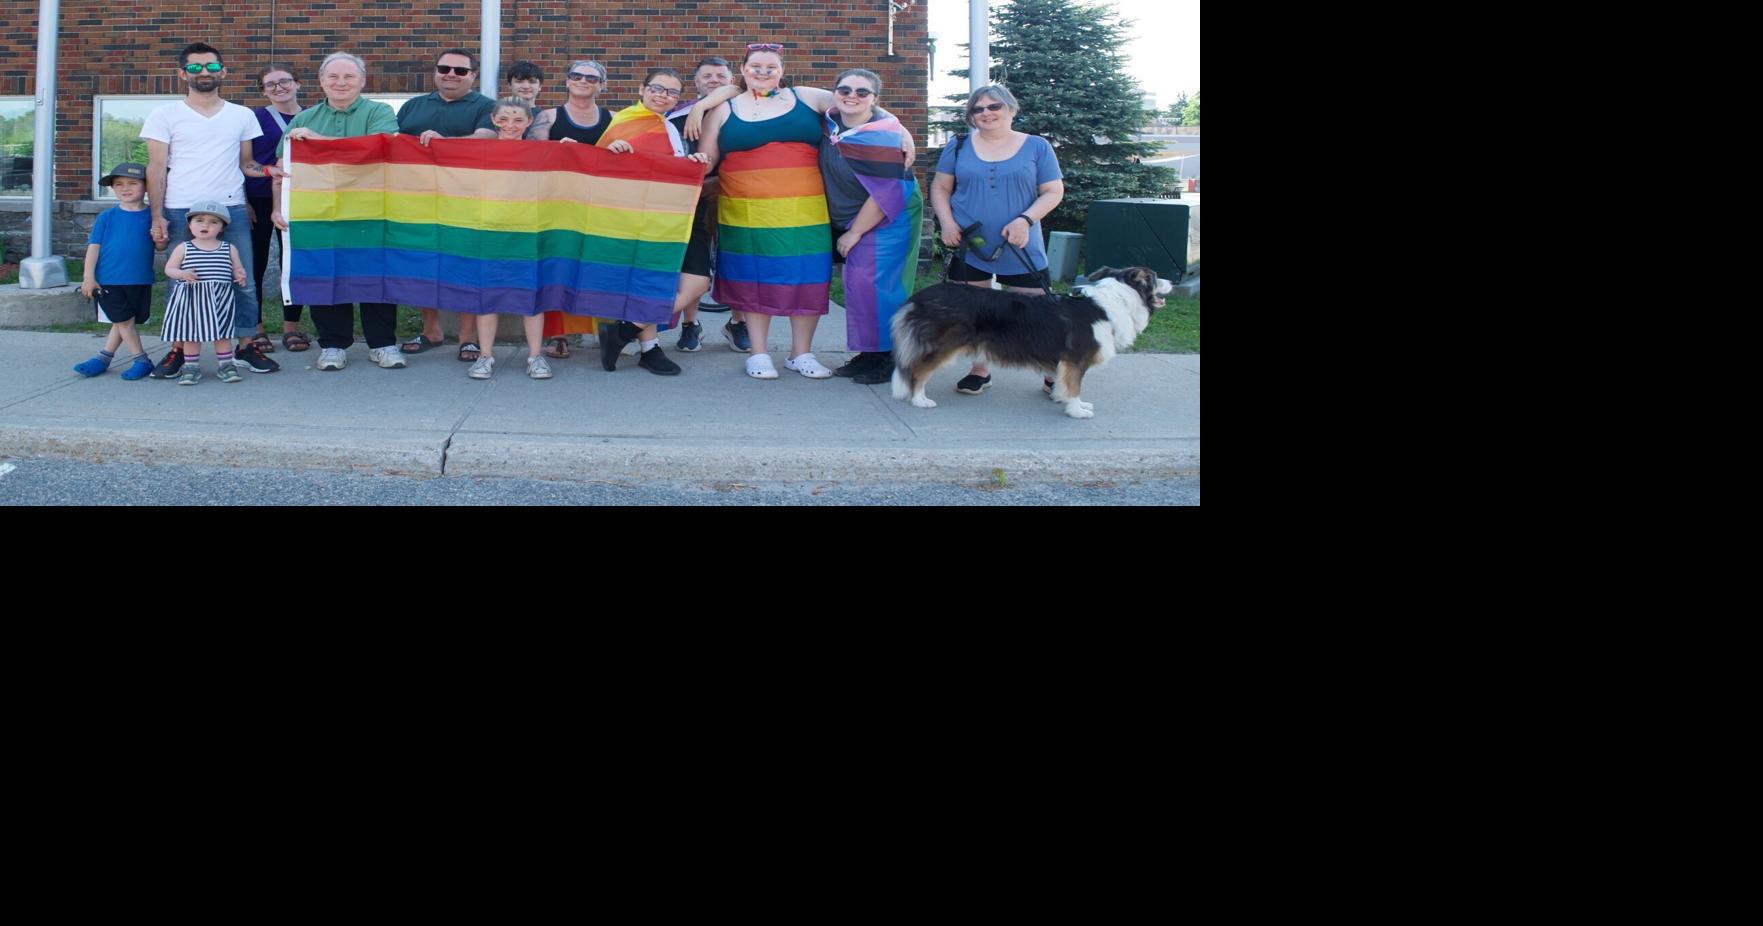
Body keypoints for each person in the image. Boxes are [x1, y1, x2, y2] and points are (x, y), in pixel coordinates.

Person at [690, 43, 912, 379]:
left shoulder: (805, 96)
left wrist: (901, 131)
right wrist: (696, 143)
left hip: (806, 209)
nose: (763, 72)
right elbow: (707, 160)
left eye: (771, 67)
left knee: (808, 276)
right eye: (755, 66)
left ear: (782, 70)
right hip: (745, 211)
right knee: (753, 277)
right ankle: (758, 353)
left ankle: (801, 353)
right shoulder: (723, 109)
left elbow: (857, 104)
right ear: (743, 69)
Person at [141, 41, 281, 379]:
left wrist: (269, 171)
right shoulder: (164, 115)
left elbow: (246, 163)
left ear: (223, 71)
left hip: (230, 210)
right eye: (195, 67)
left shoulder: (242, 115)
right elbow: (156, 169)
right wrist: (156, 215)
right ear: (182, 74)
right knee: (182, 282)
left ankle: (245, 345)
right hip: (181, 209)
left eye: (212, 66)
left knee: (243, 280)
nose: (204, 72)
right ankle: (178, 351)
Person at [269, 52, 404, 372]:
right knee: (324, 274)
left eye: (348, 77)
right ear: (321, 81)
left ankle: (382, 344)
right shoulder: (304, 119)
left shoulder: (379, 112)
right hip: (320, 214)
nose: (340, 83)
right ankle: (332, 345)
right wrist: (278, 208)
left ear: (362, 81)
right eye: (333, 76)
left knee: (376, 276)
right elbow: (283, 169)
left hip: (372, 211)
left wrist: (319, 141)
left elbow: (379, 150)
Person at [930, 84, 1065, 396]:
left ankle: (1050, 370)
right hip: (970, 244)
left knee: (1037, 312)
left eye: (994, 106)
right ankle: (980, 369)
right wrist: (947, 223)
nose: (986, 113)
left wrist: (1025, 220)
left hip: (1020, 244)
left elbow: (1053, 191)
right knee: (975, 312)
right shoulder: (958, 145)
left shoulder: (1037, 146)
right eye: (978, 109)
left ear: (1010, 109)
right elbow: (940, 188)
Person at [594, 68, 713, 375]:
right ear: (642, 88)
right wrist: (612, 150)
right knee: (650, 281)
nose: (663, 96)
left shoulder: (669, 124)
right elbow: (601, 167)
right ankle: (650, 348)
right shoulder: (625, 120)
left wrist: (692, 162)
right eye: (657, 88)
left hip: (681, 211)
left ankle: (624, 330)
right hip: (644, 216)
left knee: (698, 281)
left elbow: (668, 165)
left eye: (672, 92)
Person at [818, 68, 921, 385]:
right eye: (844, 89)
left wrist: (855, 232)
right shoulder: (830, 121)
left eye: (862, 92)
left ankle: (892, 358)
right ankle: (870, 352)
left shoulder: (883, 136)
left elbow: (884, 192)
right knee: (859, 285)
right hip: (854, 211)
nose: (852, 96)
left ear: (875, 99)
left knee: (879, 283)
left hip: (890, 212)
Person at [395, 47, 498, 362]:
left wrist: (444, 143)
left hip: (467, 199)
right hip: (418, 199)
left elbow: (488, 138)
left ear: (473, 76)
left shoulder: (486, 106)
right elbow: (393, 143)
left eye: (460, 70)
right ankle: (431, 331)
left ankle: (467, 338)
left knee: (465, 265)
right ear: (435, 72)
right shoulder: (413, 106)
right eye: (444, 69)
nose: (451, 74)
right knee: (425, 264)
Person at [530, 59, 615, 359]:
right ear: (567, 81)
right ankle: (558, 335)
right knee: (558, 267)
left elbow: (631, 154)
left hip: (599, 205)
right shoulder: (548, 117)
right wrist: (557, 149)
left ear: (602, 86)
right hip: (559, 207)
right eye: (577, 76)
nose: (583, 81)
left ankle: (608, 331)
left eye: (591, 78)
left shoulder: (614, 119)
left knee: (600, 266)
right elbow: (533, 156)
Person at [465, 98, 554, 381]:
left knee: (532, 294)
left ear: (529, 122)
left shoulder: (542, 153)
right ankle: (485, 356)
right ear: (493, 119)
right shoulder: (481, 152)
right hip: (488, 230)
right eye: (503, 119)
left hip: (529, 231)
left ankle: (535, 356)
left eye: (518, 120)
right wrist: (433, 138)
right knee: (487, 294)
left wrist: (567, 147)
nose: (510, 125)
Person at [662, 56, 736, 353]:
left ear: (731, 79)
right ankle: (690, 324)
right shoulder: (677, 116)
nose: (714, 80)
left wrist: (701, 107)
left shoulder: (743, 107)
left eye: (720, 75)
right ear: (696, 81)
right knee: (694, 262)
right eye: (707, 76)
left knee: (737, 261)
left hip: (737, 194)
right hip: (695, 198)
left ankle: (738, 322)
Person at [73, 163, 165, 381]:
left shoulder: (153, 217)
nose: (125, 188)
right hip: (108, 279)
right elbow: (94, 247)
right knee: (123, 319)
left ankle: (103, 357)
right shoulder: (107, 216)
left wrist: (160, 238)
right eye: (119, 184)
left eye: (133, 183)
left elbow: (160, 247)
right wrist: (88, 277)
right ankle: (141, 359)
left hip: (139, 278)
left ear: (146, 187)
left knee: (125, 320)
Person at [248, 64, 308, 351]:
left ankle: (291, 328)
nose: (279, 87)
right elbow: (242, 162)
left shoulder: (313, 116)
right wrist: (244, 200)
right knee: (255, 264)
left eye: (284, 81)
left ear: (297, 84)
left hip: (300, 200)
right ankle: (256, 329)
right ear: (263, 91)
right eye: (270, 84)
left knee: (293, 263)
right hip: (258, 199)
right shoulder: (254, 119)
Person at [160, 200, 248, 385]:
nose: (205, 225)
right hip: (192, 299)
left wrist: (240, 274)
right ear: (190, 225)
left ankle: (226, 365)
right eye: (199, 220)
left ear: (222, 227)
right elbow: (169, 269)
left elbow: (237, 268)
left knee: (222, 334)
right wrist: (182, 274)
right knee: (191, 334)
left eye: (213, 222)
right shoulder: (184, 247)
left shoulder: (228, 248)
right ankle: (191, 367)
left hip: (219, 299)